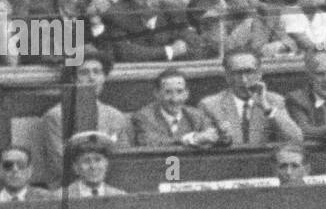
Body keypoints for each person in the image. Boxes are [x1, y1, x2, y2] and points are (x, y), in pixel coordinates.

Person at [42, 49, 132, 185]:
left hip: (111, 187)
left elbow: (124, 160)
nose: (92, 78)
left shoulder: (116, 116)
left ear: (104, 77)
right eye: (84, 73)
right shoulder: (55, 116)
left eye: (97, 72)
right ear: (73, 78)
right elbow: (61, 165)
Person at [199, 49, 303, 146]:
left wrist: (266, 107)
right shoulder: (210, 105)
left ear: (259, 74)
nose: (244, 80)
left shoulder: (274, 101)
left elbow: (296, 139)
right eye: (237, 73)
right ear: (227, 76)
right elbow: (205, 146)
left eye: (249, 72)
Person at [101, 0, 200, 64]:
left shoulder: (173, 10)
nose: (147, 3)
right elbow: (124, 52)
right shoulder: (115, 14)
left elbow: (192, 41)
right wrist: (169, 51)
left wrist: (183, 43)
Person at [201, 0, 296, 60]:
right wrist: (249, 19)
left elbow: (291, 42)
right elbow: (226, 49)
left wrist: (281, 45)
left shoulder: (268, 13)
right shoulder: (213, 17)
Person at [132, 68, 220, 147]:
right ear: (157, 94)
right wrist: (191, 139)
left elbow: (213, 136)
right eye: (168, 92)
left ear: (187, 93)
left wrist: (221, 134)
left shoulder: (197, 116)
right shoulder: (144, 117)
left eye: (179, 91)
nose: (175, 99)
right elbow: (150, 143)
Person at [58, 131, 126, 198]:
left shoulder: (119, 196)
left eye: (98, 160)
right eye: (86, 161)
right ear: (75, 167)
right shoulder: (61, 198)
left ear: (106, 164)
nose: (93, 166)